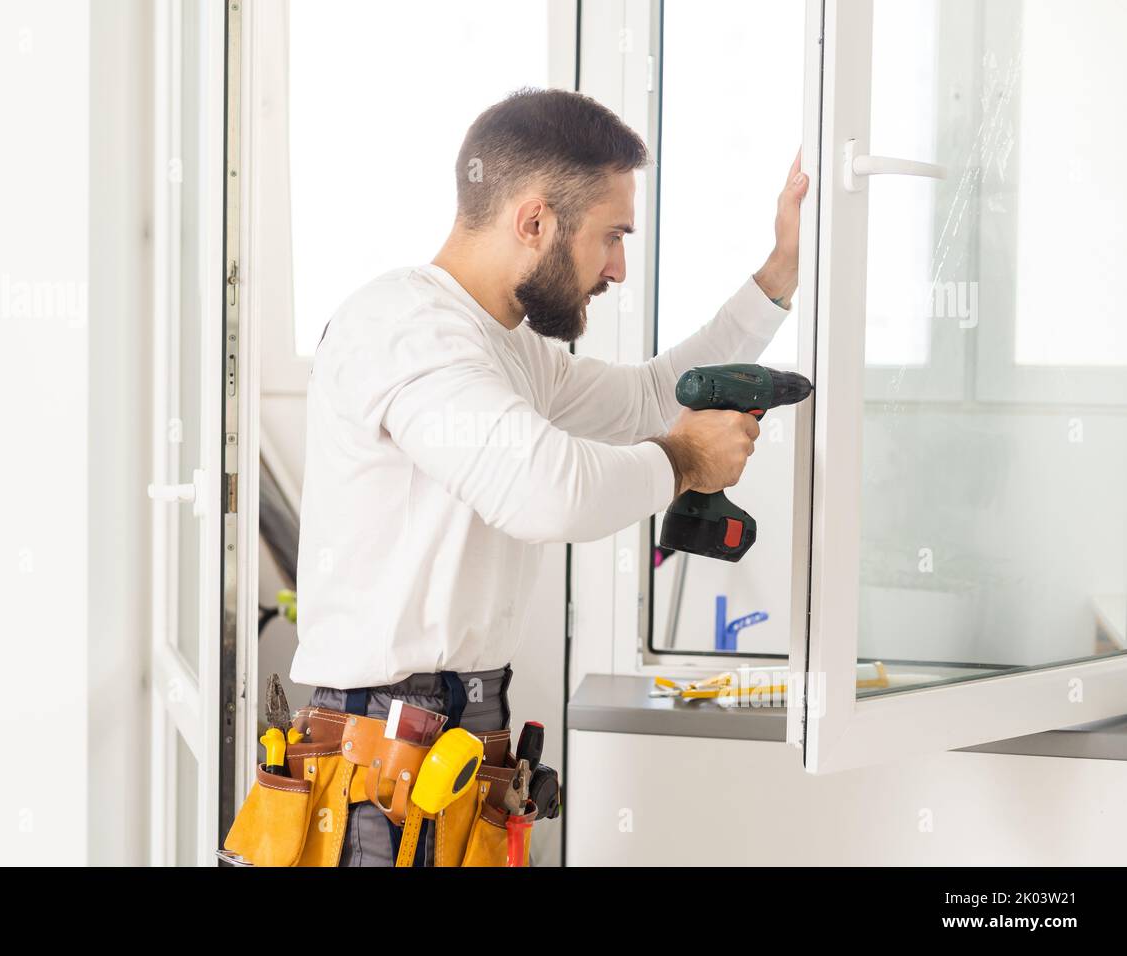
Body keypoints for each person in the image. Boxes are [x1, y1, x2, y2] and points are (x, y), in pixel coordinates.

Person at [291, 87, 808, 865]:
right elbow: (546, 491)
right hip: (383, 762)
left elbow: (647, 398)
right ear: (534, 221)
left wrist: (776, 278)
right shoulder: (402, 327)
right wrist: (691, 459)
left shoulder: (507, 348)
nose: (619, 268)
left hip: (466, 741)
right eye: (610, 237)